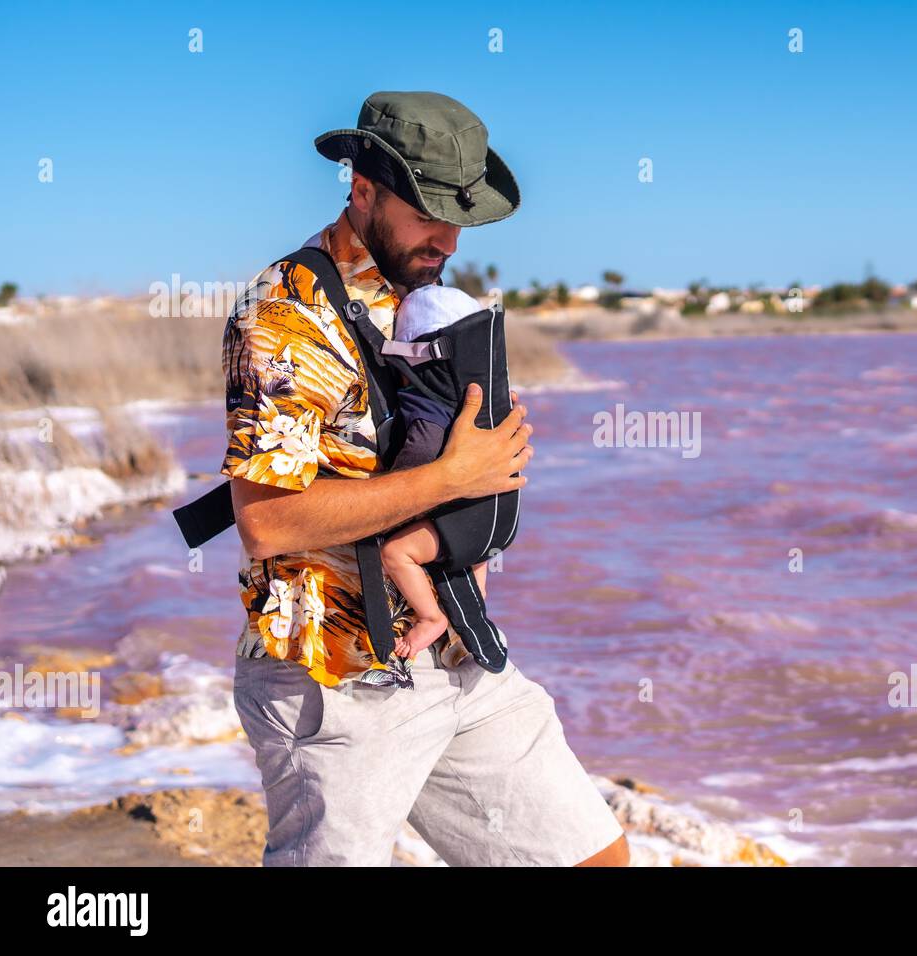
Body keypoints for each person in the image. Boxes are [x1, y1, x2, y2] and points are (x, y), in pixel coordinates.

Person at [223, 91, 629, 866]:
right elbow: (266, 521)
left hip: (460, 653)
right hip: (336, 681)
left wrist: (493, 453)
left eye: (457, 217)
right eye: (425, 212)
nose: (445, 238)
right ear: (362, 187)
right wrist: (452, 476)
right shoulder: (281, 318)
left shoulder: (428, 299)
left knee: (594, 857)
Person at [380, 283, 494, 661]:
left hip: (448, 524)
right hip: (488, 521)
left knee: (397, 552)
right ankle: (472, 620)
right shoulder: (486, 399)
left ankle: (431, 619)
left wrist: (385, 485)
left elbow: (420, 454)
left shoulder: (427, 406)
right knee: (476, 558)